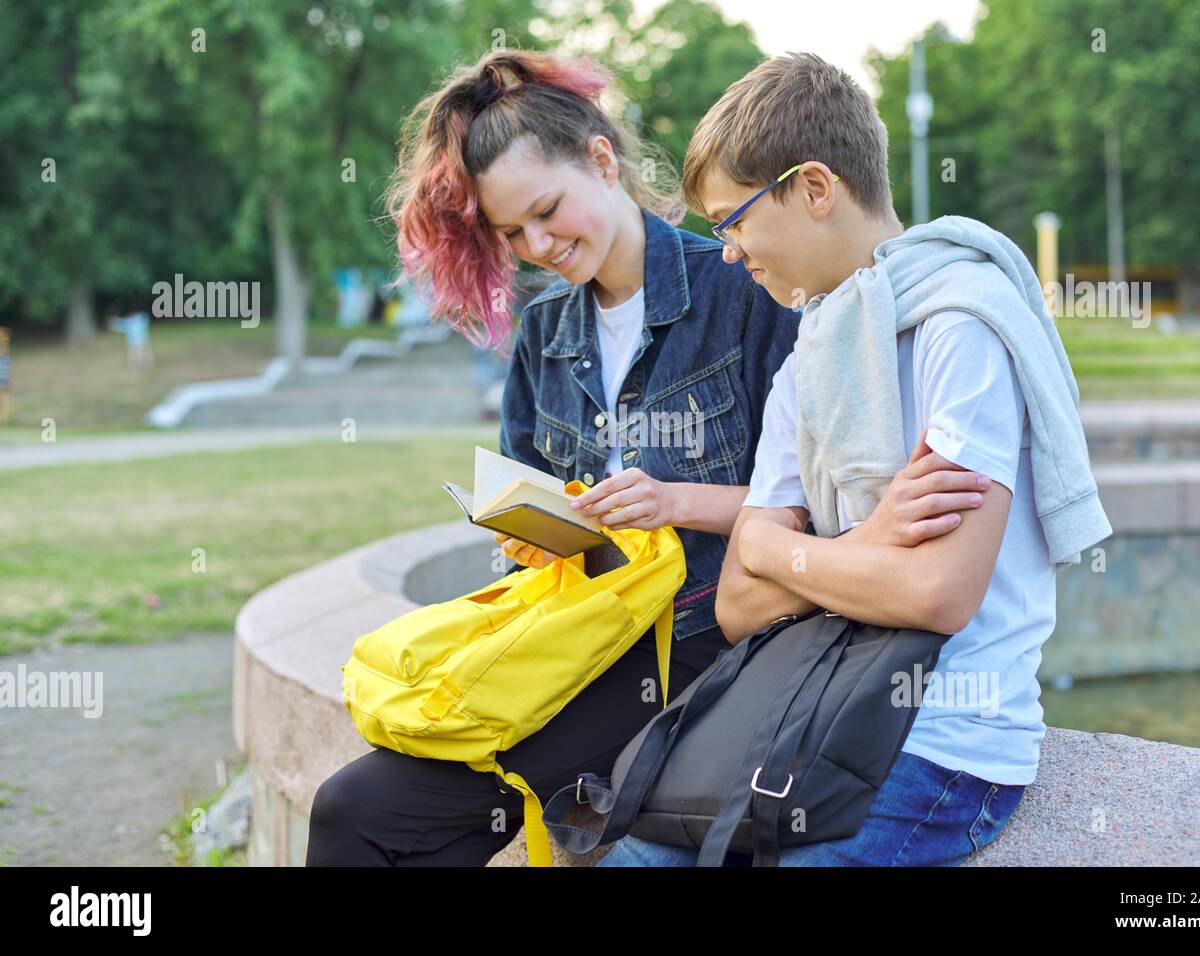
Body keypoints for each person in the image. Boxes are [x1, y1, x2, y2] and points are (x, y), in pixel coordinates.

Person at [305, 49, 984, 866]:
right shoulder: (543, 335)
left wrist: (674, 500)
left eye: (548, 210)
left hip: (708, 648)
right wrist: (533, 539)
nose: (539, 243)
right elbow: (539, 521)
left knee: (434, 808)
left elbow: (826, 509)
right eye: (512, 232)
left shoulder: (751, 286)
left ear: (601, 161)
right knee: (353, 811)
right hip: (580, 640)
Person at [598, 53, 1110, 867]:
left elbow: (937, 593)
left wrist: (777, 549)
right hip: (812, 713)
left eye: (733, 219)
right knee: (627, 856)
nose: (727, 251)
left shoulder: (961, 326)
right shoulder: (812, 355)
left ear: (812, 187)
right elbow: (736, 603)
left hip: (944, 746)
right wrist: (864, 545)